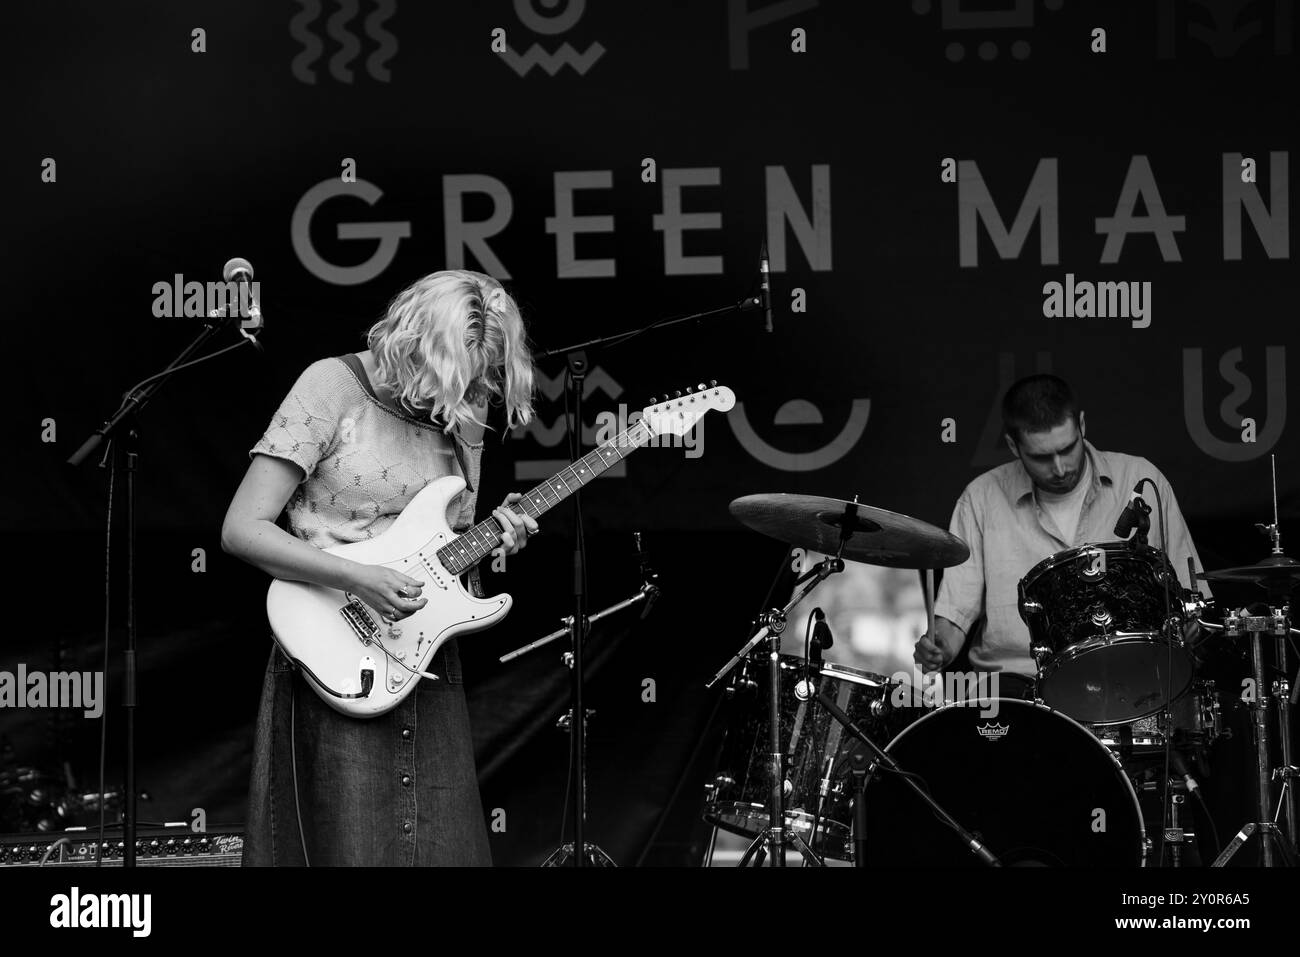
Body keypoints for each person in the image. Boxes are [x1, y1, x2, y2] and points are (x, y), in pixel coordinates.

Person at [222, 269, 538, 866]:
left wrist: (495, 537)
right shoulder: (329, 385)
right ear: (408, 338)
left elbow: (447, 550)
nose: (460, 395)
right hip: (331, 641)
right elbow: (242, 529)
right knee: (345, 843)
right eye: (447, 377)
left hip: (423, 653)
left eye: (476, 380)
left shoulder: (465, 406)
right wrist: (357, 577)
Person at [914, 375, 1210, 693]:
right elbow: (954, 618)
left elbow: (1196, 599)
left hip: (1131, 682)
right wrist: (938, 648)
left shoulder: (1140, 480)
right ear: (1014, 446)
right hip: (1018, 690)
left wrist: (1191, 623)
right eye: (1041, 457)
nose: (1059, 468)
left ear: (1081, 425)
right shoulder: (981, 499)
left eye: (1067, 449)